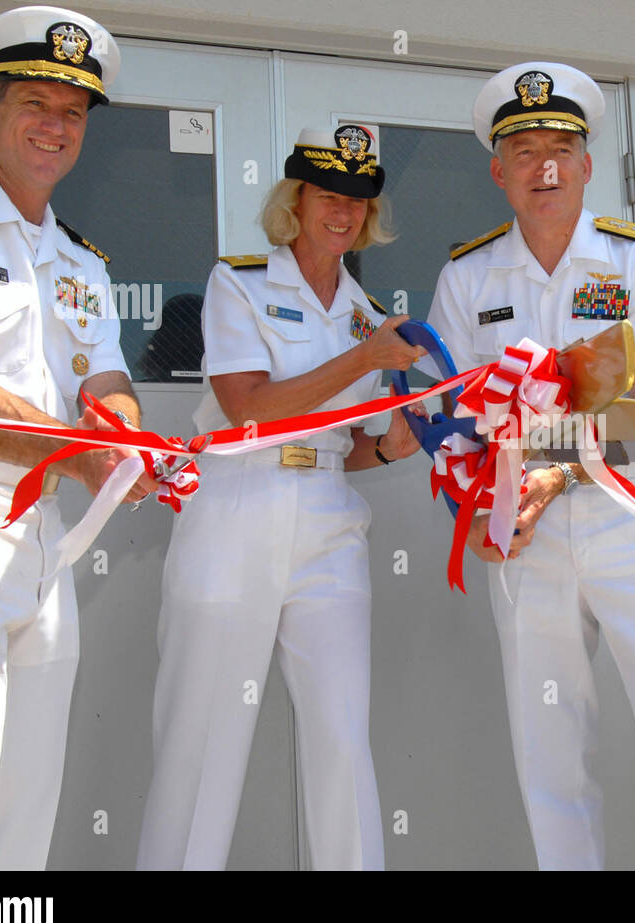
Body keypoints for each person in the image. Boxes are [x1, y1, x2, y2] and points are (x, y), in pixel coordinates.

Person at [427, 62, 635, 870]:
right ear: (499, 172)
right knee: (550, 746)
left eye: (562, 146)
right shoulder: (465, 277)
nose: (546, 166)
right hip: (526, 534)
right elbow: (453, 416)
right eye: (524, 149)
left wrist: (550, 471)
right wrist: (476, 508)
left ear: (589, 165)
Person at [0, 6, 156, 870]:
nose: (56, 126)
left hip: (46, 535)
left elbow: (105, 379)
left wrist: (125, 439)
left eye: (73, 111)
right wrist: (82, 453)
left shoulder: (81, 260)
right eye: (36, 104)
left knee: (27, 795)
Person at [137, 125, 425, 870]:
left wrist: (395, 443)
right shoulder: (240, 281)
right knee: (203, 747)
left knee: (341, 739)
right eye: (328, 193)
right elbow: (250, 409)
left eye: (358, 200)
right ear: (293, 200)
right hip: (238, 508)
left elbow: (344, 445)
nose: (343, 211)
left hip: (328, 519)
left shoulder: (367, 311)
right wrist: (364, 359)